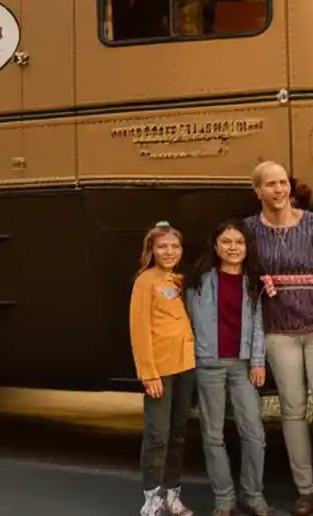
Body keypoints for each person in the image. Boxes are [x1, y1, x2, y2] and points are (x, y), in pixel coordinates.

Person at [242, 161, 313, 516]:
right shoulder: (248, 231)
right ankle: (305, 491)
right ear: (257, 191)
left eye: (282, 183)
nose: (279, 190)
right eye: (270, 185)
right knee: (291, 410)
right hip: (278, 331)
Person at [183, 219, 272, 516]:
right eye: (226, 242)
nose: (233, 248)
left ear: (247, 247)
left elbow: (260, 325)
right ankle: (224, 498)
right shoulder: (199, 279)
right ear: (216, 246)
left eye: (239, 242)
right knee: (213, 435)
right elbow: (188, 322)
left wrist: (258, 361)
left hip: (243, 365)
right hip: (209, 364)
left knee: (255, 434)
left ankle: (253, 495)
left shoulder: (253, 281)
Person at [130, 221, 198, 516]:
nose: (169, 252)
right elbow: (139, 329)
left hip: (186, 366)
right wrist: (149, 373)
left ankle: (173, 492)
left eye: (174, 246)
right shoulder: (146, 281)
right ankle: (152, 497)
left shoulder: (178, 280)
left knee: (179, 433)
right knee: (158, 434)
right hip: (160, 369)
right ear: (152, 250)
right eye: (162, 247)